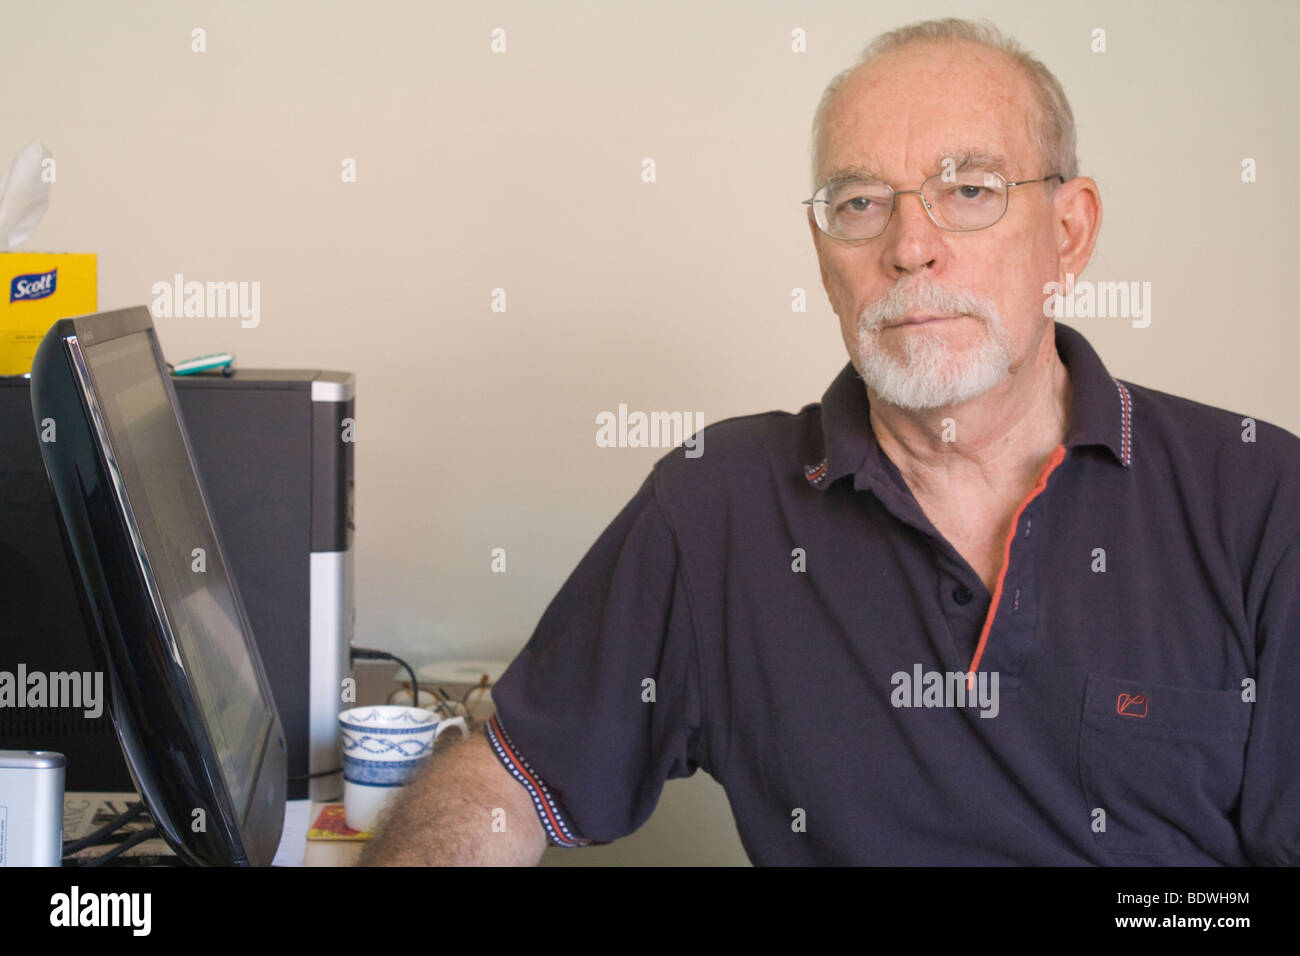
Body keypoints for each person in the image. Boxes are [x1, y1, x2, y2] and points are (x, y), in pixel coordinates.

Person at [361, 18, 1300, 866]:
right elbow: (507, 783)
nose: (909, 246)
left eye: (967, 191)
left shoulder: (1261, 495)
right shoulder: (718, 505)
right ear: (824, 255)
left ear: (1069, 232)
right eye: (859, 203)